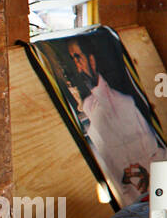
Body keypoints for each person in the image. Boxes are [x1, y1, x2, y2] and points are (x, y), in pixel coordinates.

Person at [66, 37, 161, 206]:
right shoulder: (88, 106)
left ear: (92, 60)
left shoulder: (124, 101)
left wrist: (147, 172)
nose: (76, 65)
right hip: (123, 193)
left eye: (78, 57)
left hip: (151, 183)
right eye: (72, 59)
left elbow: (153, 149)